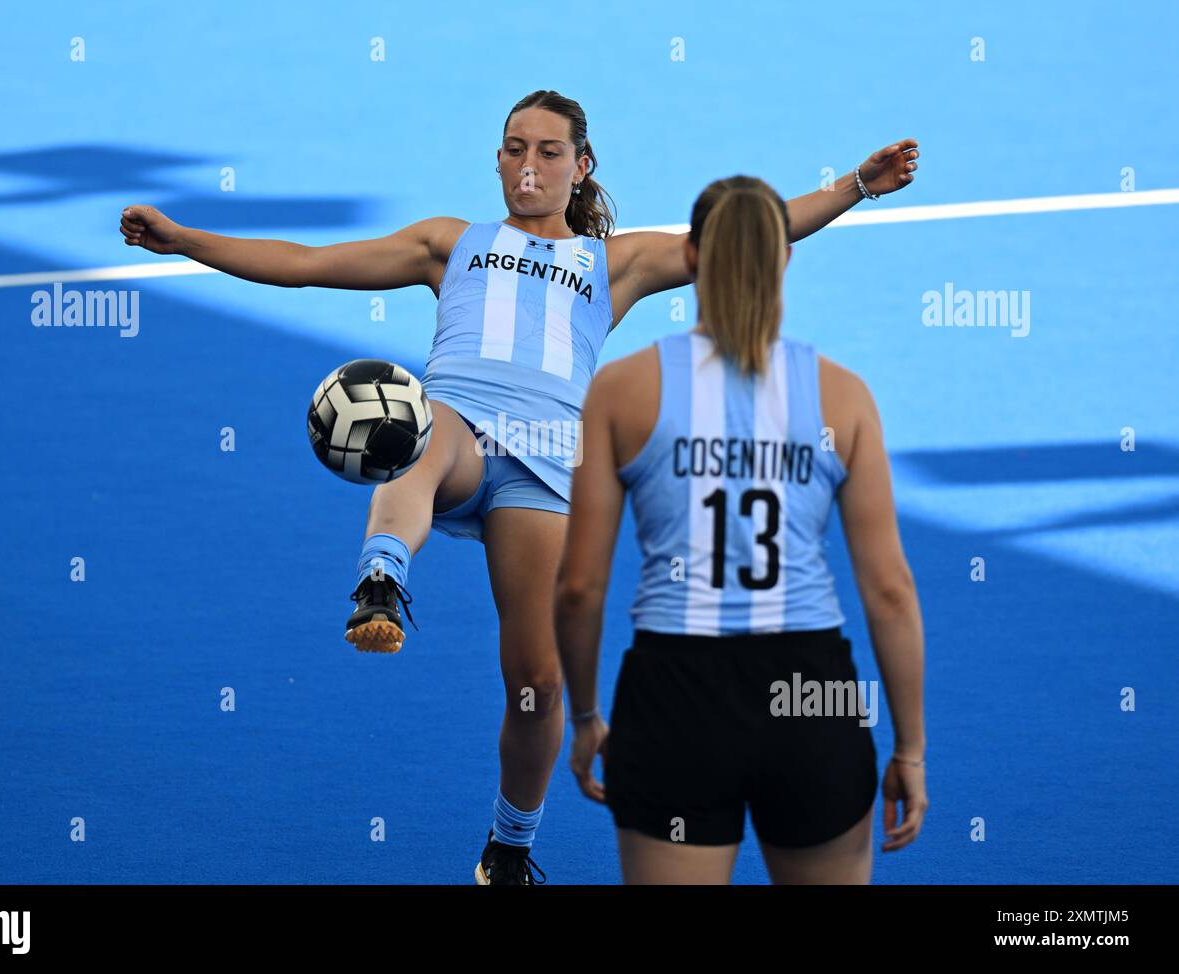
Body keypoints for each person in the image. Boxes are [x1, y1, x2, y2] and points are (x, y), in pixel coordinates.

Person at [120, 91, 920, 884]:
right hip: (460, 427)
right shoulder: (448, 243)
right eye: (513, 148)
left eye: (545, 152)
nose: (526, 166)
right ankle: (380, 577)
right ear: (497, 157)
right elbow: (306, 265)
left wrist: (855, 185)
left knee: (535, 682)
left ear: (581, 166)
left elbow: (742, 237)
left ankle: (508, 848)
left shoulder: (615, 263)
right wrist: (185, 239)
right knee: (415, 431)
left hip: (545, 465)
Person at [554, 175, 927, 884]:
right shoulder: (842, 395)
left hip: (673, 694)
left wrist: (583, 716)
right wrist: (909, 750)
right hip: (813, 692)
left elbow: (578, 588)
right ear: (784, 259)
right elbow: (890, 590)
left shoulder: (623, 389)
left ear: (690, 257)